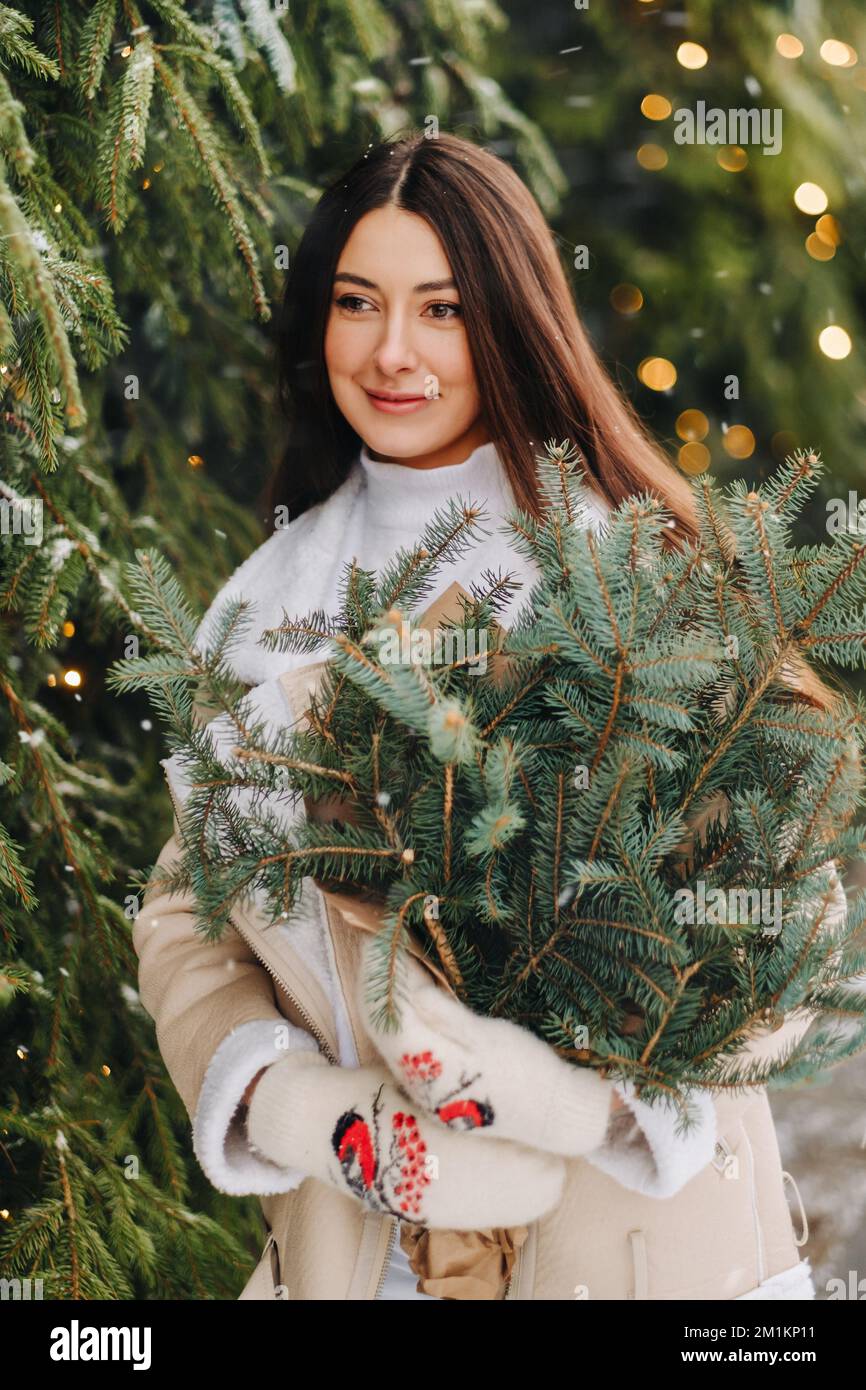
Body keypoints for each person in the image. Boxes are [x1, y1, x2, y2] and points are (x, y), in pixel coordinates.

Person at [133, 132, 837, 1300]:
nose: (392, 351)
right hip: (362, 1260)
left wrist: (582, 1096)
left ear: (508, 321)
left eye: (442, 308)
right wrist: (293, 1101)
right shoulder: (263, 613)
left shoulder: (637, 579)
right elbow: (185, 914)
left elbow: (785, 916)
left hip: (637, 1259)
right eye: (357, 302)